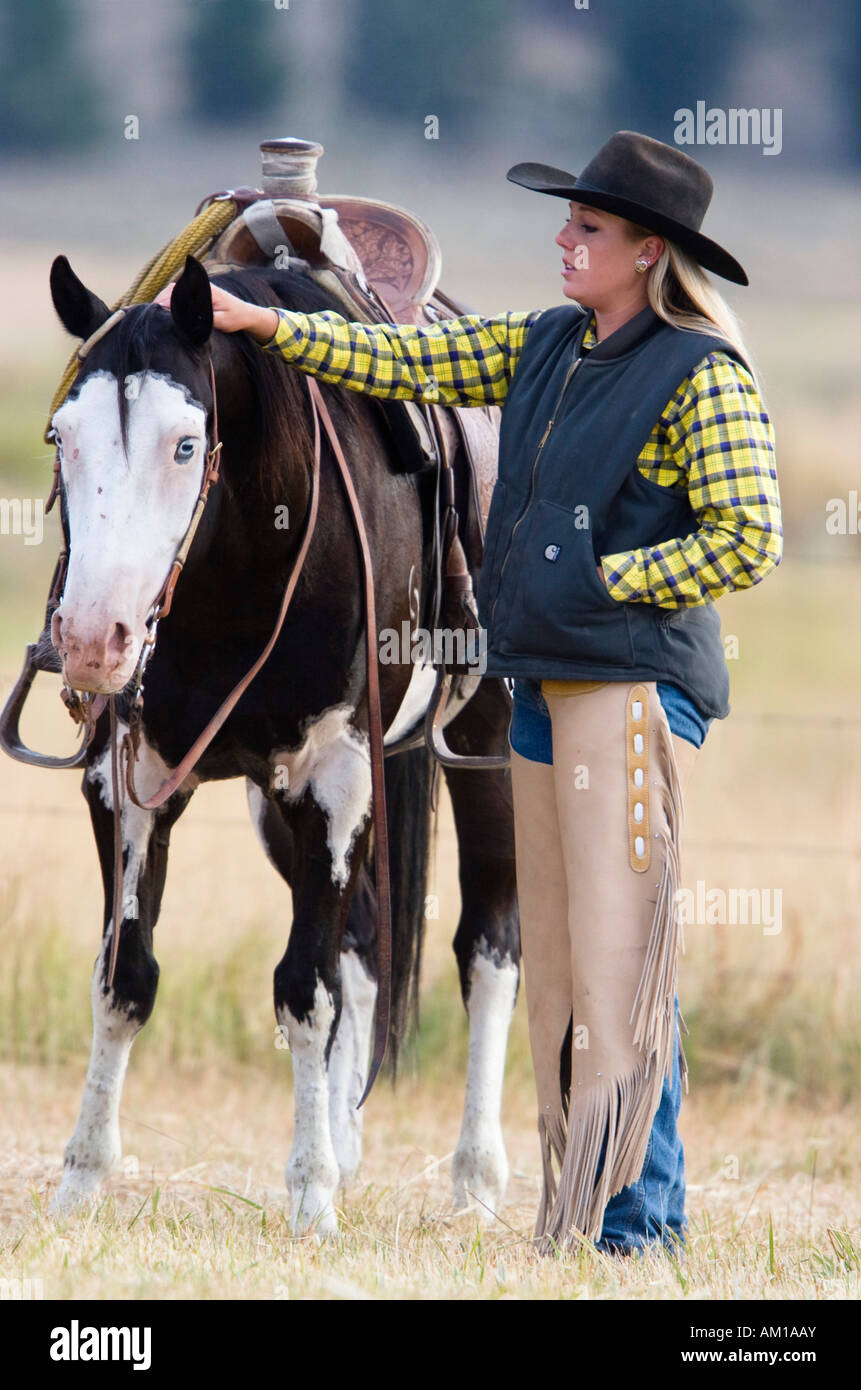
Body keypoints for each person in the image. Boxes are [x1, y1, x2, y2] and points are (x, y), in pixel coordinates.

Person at [157, 130, 782, 1256]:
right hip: (545, 689)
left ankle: (640, 1229)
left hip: (629, 693)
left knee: (616, 961)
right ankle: (579, 1210)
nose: (562, 238)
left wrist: (599, 583)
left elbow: (747, 536)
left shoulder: (698, 373)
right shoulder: (549, 344)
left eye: (585, 228)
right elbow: (409, 365)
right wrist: (268, 328)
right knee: (560, 960)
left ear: (647, 252)